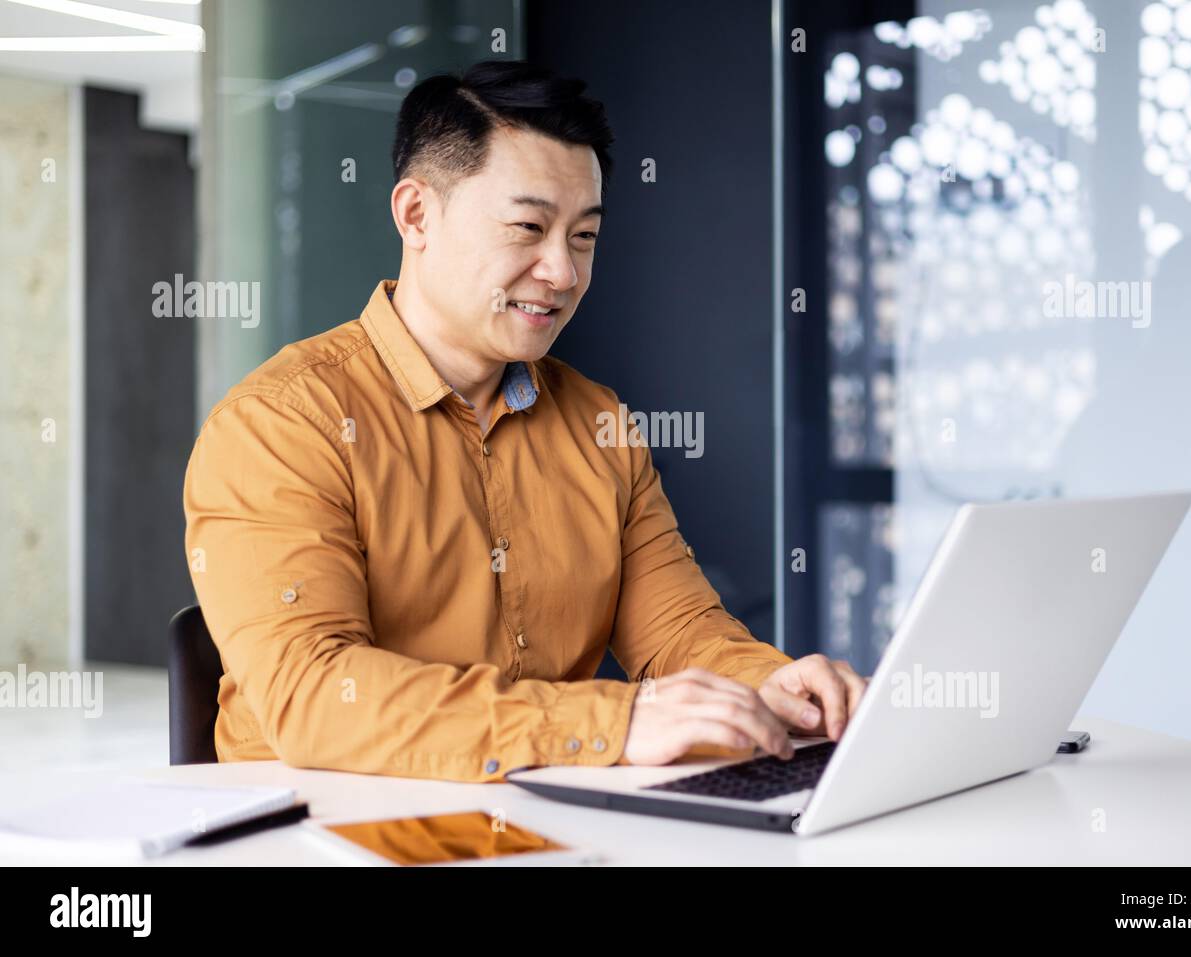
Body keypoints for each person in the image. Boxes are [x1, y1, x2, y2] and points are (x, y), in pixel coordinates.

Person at [183, 59, 866, 783]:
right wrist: (610, 722)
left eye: (583, 237)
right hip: (316, 827)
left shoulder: (599, 424)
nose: (564, 273)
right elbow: (315, 694)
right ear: (416, 214)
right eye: (528, 227)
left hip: (535, 820)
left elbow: (679, 632)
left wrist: (770, 684)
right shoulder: (280, 425)